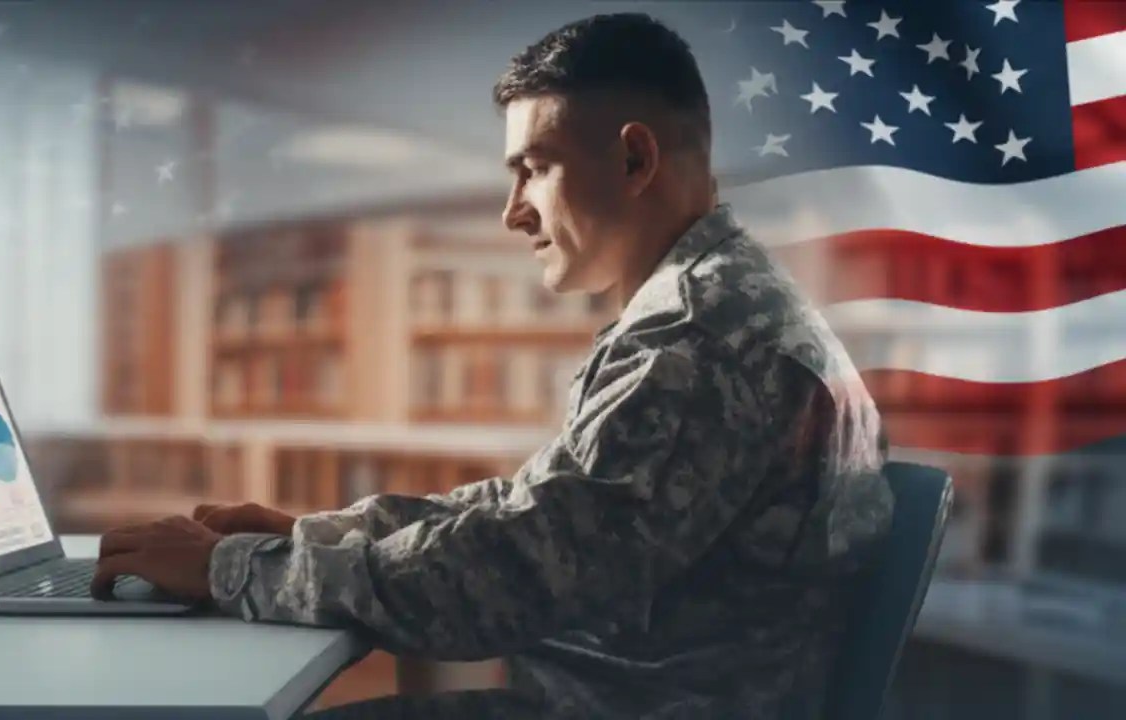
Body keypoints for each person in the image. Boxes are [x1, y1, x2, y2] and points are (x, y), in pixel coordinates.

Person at [90, 13, 894, 720]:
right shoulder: (726, 303)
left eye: (532, 167)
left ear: (635, 160)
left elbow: (508, 575)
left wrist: (234, 570)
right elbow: (533, 510)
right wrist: (316, 535)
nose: (512, 211)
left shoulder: (697, 340)